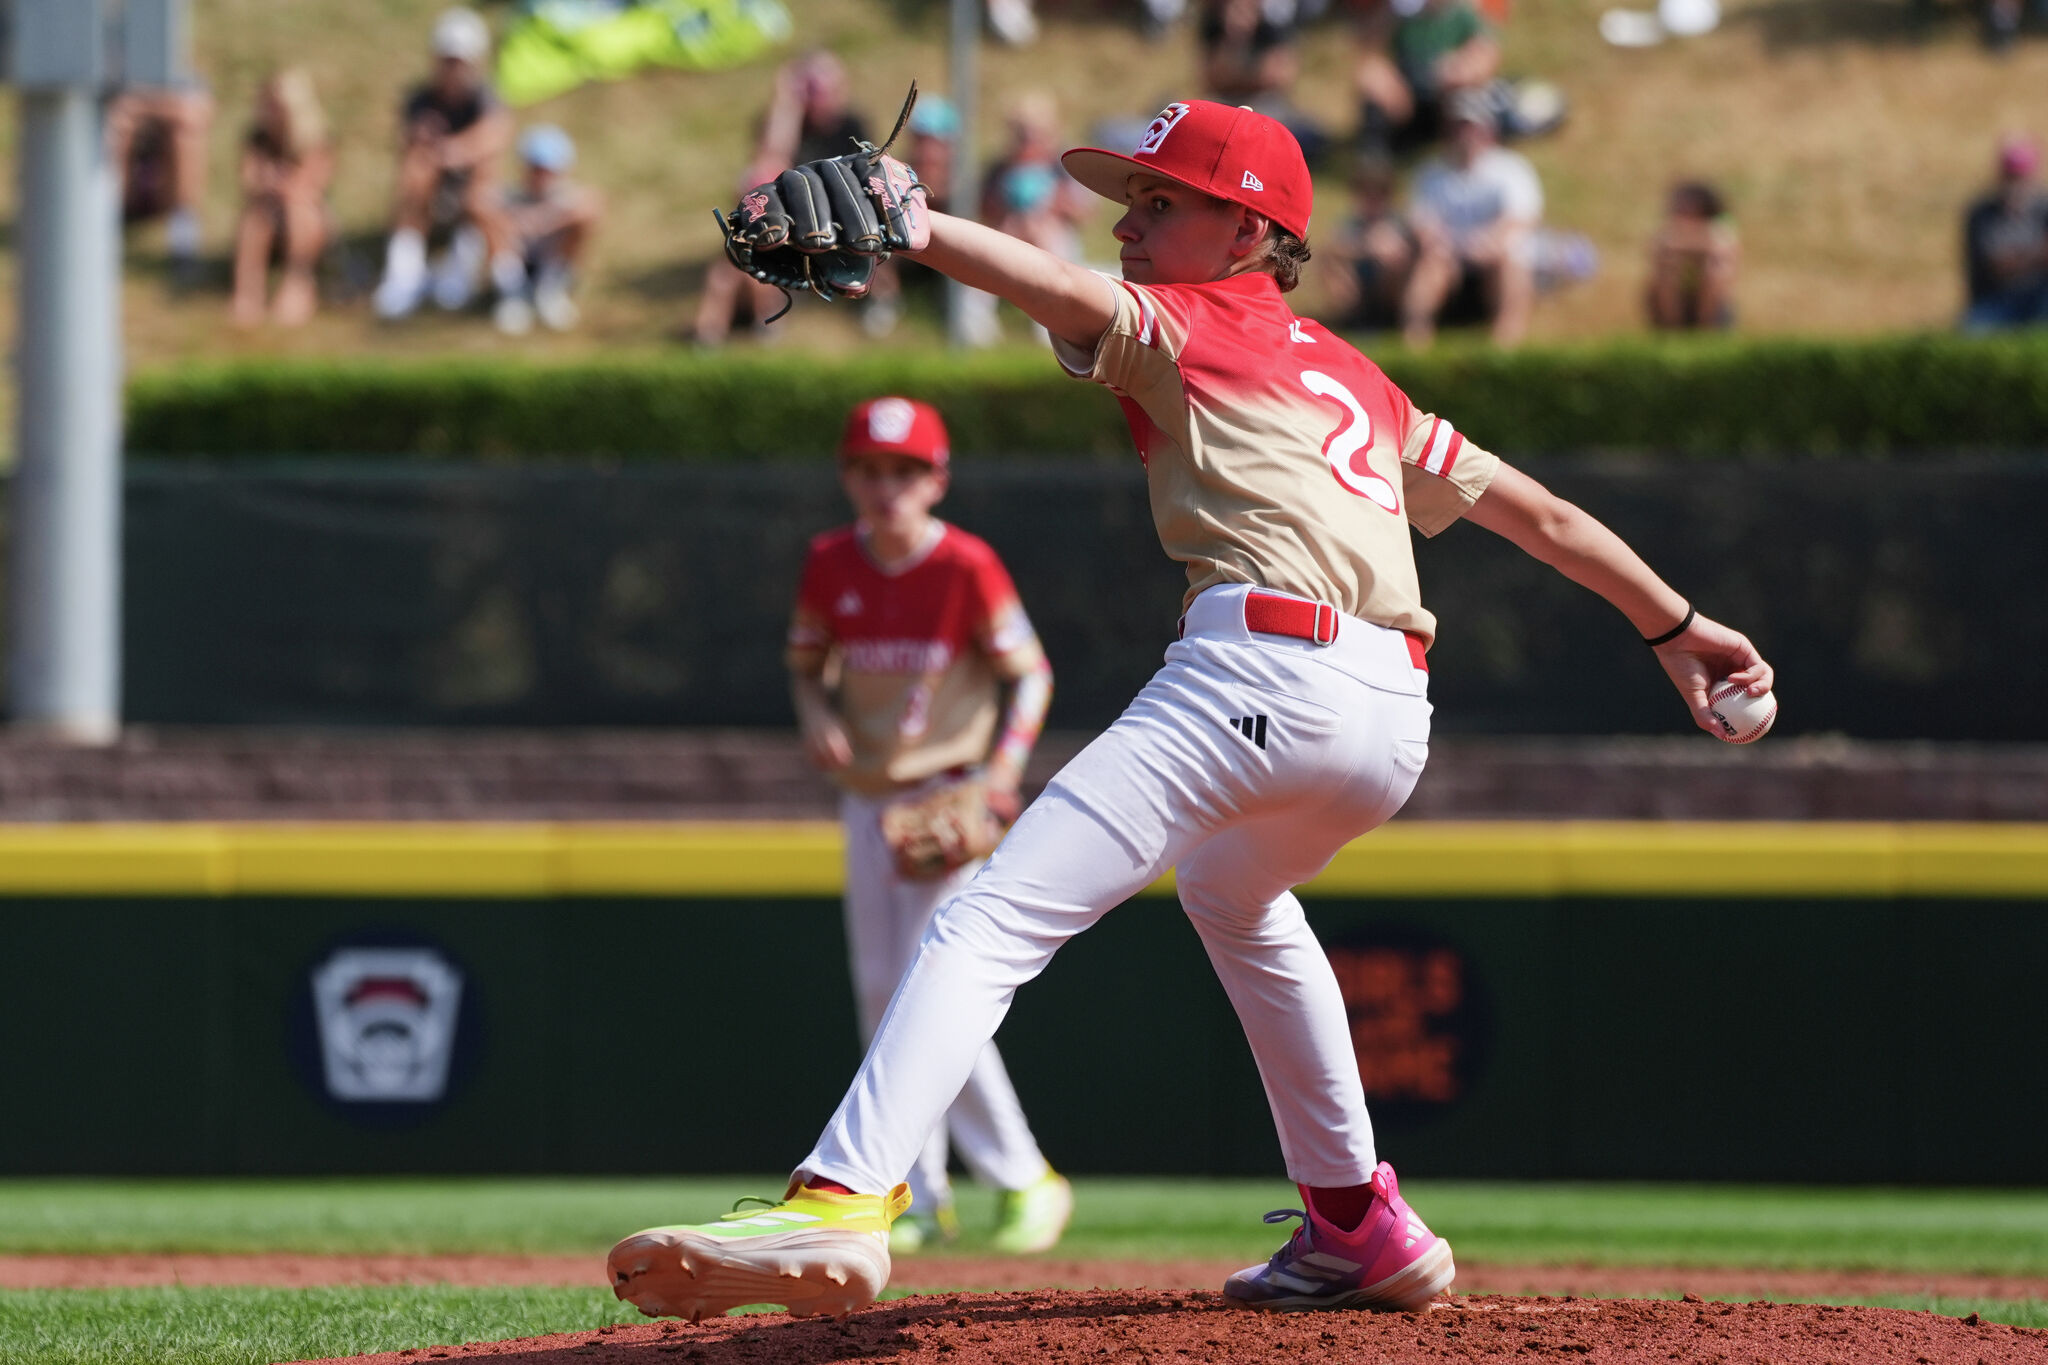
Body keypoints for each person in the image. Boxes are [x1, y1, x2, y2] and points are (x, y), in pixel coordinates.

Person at [608, 97, 1773, 1323]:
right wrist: (1675, 626)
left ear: (1248, 233)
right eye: (1129, 200)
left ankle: (840, 1200)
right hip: (1388, 721)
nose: (1128, 223)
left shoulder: (1189, 323)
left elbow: (1060, 291)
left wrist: (921, 225)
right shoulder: (1359, 380)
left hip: (1257, 676)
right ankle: (1356, 1224)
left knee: (989, 917)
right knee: (1235, 894)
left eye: (1159, 202)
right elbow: (1541, 516)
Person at [783, 396, 1072, 1256]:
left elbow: (1032, 674)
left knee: (931, 993)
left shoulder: (965, 563)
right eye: (871, 470)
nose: (888, 488)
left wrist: (1001, 776)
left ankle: (1022, 1174)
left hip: (947, 797)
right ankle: (918, 1193)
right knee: (883, 991)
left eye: (906, 472)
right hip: (870, 799)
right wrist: (813, 713)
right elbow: (806, 662)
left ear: (937, 480)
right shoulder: (830, 561)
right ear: (848, 477)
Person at [692, 52, 872, 345]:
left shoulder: (850, 128)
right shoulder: (788, 136)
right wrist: (785, 103)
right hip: (786, 230)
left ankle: (766, 328)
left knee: (750, 276)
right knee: (722, 278)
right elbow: (765, 168)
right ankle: (707, 343)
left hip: (829, 232)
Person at [373, 6, 518, 320]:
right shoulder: (420, 99)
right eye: (447, 60)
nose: (453, 69)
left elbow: (494, 136)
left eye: (458, 61)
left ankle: (468, 272)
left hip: (472, 190)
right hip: (432, 188)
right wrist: (428, 147)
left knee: (483, 179)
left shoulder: (486, 98)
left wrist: (452, 151)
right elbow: (409, 143)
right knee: (415, 170)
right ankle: (404, 273)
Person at [1401, 89, 1541, 347]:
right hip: (1449, 258)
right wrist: (1438, 243)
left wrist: (1489, 243)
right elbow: (1421, 222)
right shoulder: (1431, 173)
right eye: (1459, 127)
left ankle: (1506, 342)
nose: (1465, 135)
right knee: (1429, 265)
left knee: (1512, 262)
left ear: (1488, 130)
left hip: (1494, 254)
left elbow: (1520, 218)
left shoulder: (1511, 169)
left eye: (1472, 127)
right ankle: (1415, 340)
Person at [230, 69, 335, 329]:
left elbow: (310, 188)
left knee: (297, 208)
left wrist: (274, 181)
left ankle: (297, 286)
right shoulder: (258, 139)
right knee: (256, 217)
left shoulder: (315, 140)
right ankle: (248, 291)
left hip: (309, 223)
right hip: (271, 216)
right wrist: (273, 183)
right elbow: (249, 181)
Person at [492, 126, 604, 335]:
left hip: (551, 263)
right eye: (535, 168)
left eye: (547, 170)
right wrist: (509, 224)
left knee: (583, 223)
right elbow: (476, 204)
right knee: (489, 222)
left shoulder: (569, 197)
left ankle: (550, 292)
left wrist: (543, 221)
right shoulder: (509, 196)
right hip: (517, 262)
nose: (541, 176)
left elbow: (591, 207)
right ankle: (514, 295)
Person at [1354, 0, 1499, 155]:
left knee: (1467, 99)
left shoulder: (1462, 15)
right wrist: (1384, 80)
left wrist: (1458, 72)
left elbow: (1486, 53)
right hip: (1406, 97)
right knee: (1375, 93)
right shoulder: (1401, 13)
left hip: (1445, 99)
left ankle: (1464, 152)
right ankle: (1376, 159)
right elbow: (1368, 52)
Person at [106, 82, 216, 284]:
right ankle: (105, 233)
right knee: (118, 126)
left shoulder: (179, 74)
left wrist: (146, 107)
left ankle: (183, 242)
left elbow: (199, 111)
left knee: (185, 134)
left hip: (164, 187)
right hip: (126, 185)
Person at [1198, 0, 1330, 164]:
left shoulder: (1271, 31)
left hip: (1263, 103)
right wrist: (1234, 40)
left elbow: (1280, 77)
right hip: (1227, 101)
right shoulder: (1216, 30)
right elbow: (1210, 78)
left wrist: (1236, 77)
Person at [1318, 152, 1416, 332]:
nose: (1371, 199)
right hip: (1359, 283)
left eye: (1377, 193)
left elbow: (1404, 254)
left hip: (1389, 289)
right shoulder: (1351, 223)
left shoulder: (1397, 221)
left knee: (1394, 263)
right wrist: (1365, 247)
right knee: (1331, 264)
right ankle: (1353, 316)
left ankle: (1394, 318)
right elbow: (1332, 249)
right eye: (1365, 192)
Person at [1961, 134, 2048, 333]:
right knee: (1973, 331)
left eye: (2022, 176)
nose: (2017, 183)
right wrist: (2039, 255)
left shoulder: (2043, 209)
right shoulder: (1983, 214)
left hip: (2039, 297)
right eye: (2012, 176)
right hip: (1995, 301)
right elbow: (1999, 266)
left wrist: (2023, 257)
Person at [1645, 180, 1737, 331]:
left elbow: (1723, 249)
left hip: (1711, 300)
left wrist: (1685, 242)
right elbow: (1660, 247)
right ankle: (1671, 330)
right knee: (1667, 271)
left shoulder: (1720, 227)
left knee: (1716, 271)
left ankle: (1705, 329)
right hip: (1674, 297)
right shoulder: (1668, 228)